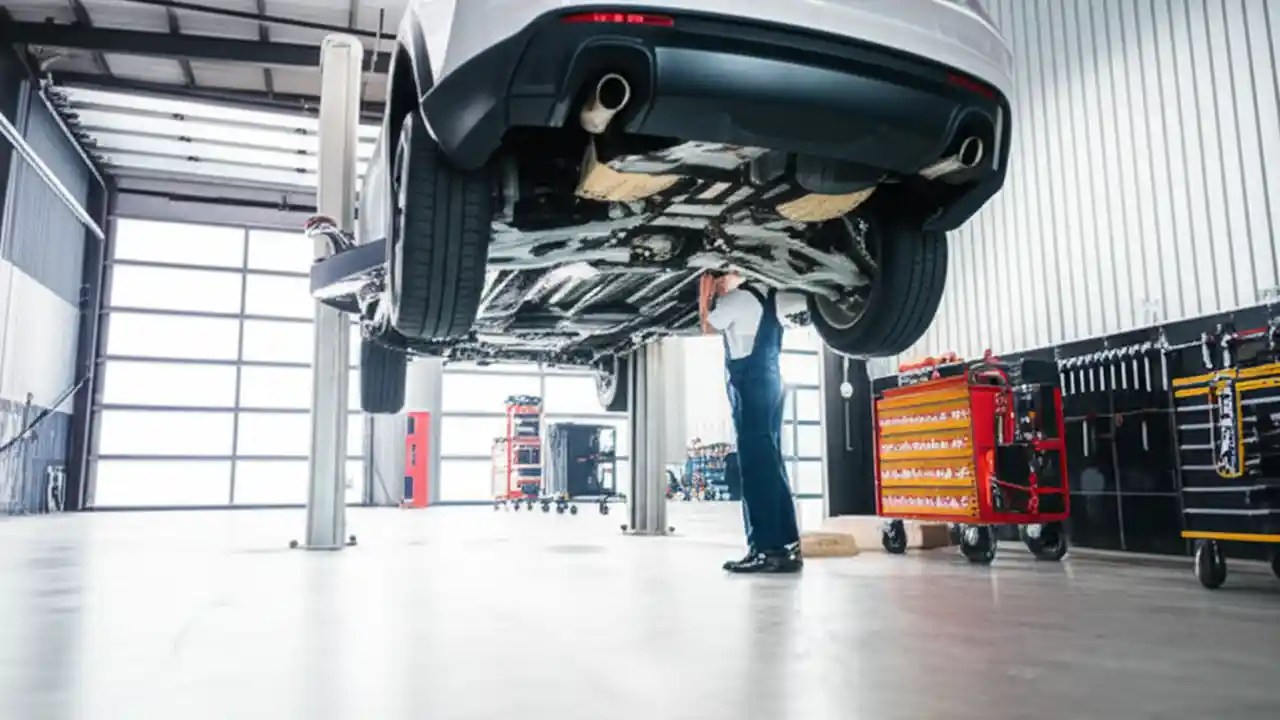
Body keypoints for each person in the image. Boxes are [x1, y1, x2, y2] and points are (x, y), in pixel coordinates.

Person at [702, 273, 804, 574]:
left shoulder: (737, 299)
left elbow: (707, 325)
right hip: (772, 384)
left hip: (751, 387)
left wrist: (707, 293)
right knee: (772, 464)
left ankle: (765, 549)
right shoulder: (773, 300)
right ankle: (786, 545)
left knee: (757, 467)